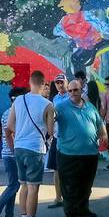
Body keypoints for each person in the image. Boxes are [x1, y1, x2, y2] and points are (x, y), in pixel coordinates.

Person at [7, 70, 54, 217]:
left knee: (24, 185)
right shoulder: (47, 104)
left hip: (19, 147)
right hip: (35, 148)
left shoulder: (18, 100)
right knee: (34, 187)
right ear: (43, 84)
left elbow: (10, 126)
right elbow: (50, 131)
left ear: (30, 82)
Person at [52, 77, 103, 217]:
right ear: (67, 92)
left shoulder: (90, 107)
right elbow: (51, 118)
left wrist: (104, 133)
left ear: (81, 90)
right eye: (70, 90)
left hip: (90, 153)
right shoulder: (61, 106)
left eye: (76, 90)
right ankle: (70, 212)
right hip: (68, 153)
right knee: (69, 185)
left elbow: (99, 122)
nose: (73, 93)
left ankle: (83, 208)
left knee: (86, 184)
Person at [0, 86, 27, 217]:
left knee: (14, 186)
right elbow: (12, 134)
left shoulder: (6, 113)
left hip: (8, 154)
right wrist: (16, 151)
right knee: (14, 185)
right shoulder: (16, 113)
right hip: (13, 154)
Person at [45, 75, 67, 206]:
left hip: (69, 138)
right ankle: (58, 198)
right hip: (57, 137)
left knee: (69, 168)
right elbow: (52, 116)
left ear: (66, 83)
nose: (59, 84)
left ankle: (70, 197)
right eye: (57, 82)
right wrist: (50, 132)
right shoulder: (55, 98)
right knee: (56, 169)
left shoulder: (71, 97)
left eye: (61, 82)